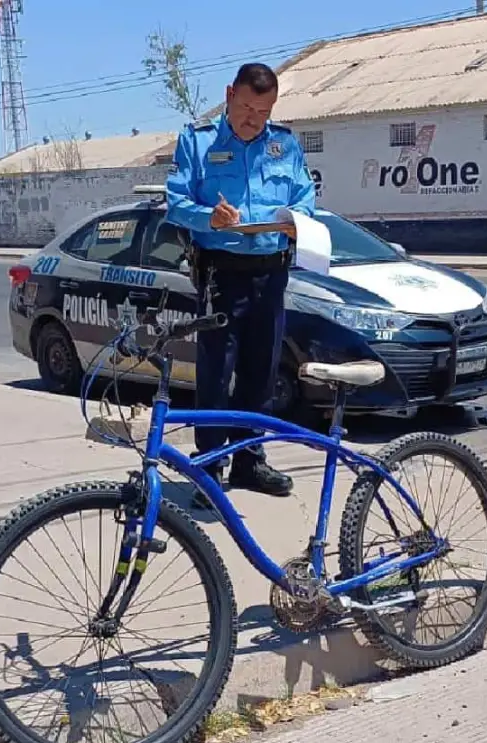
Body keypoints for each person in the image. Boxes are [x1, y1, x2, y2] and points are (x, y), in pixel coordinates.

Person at [164, 61, 317, 506]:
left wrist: (298, 220)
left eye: (263, 112)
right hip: (220, 273)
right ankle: (209, 468)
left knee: (261, 371)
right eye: (247, 107)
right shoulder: (198, 141)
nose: (253, 119)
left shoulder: (285, 145)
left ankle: (249, 459)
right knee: (217, 373)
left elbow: (305, 195)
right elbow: (175, 203)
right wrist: (206, 217)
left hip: (270, 271)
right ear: (230, 94)